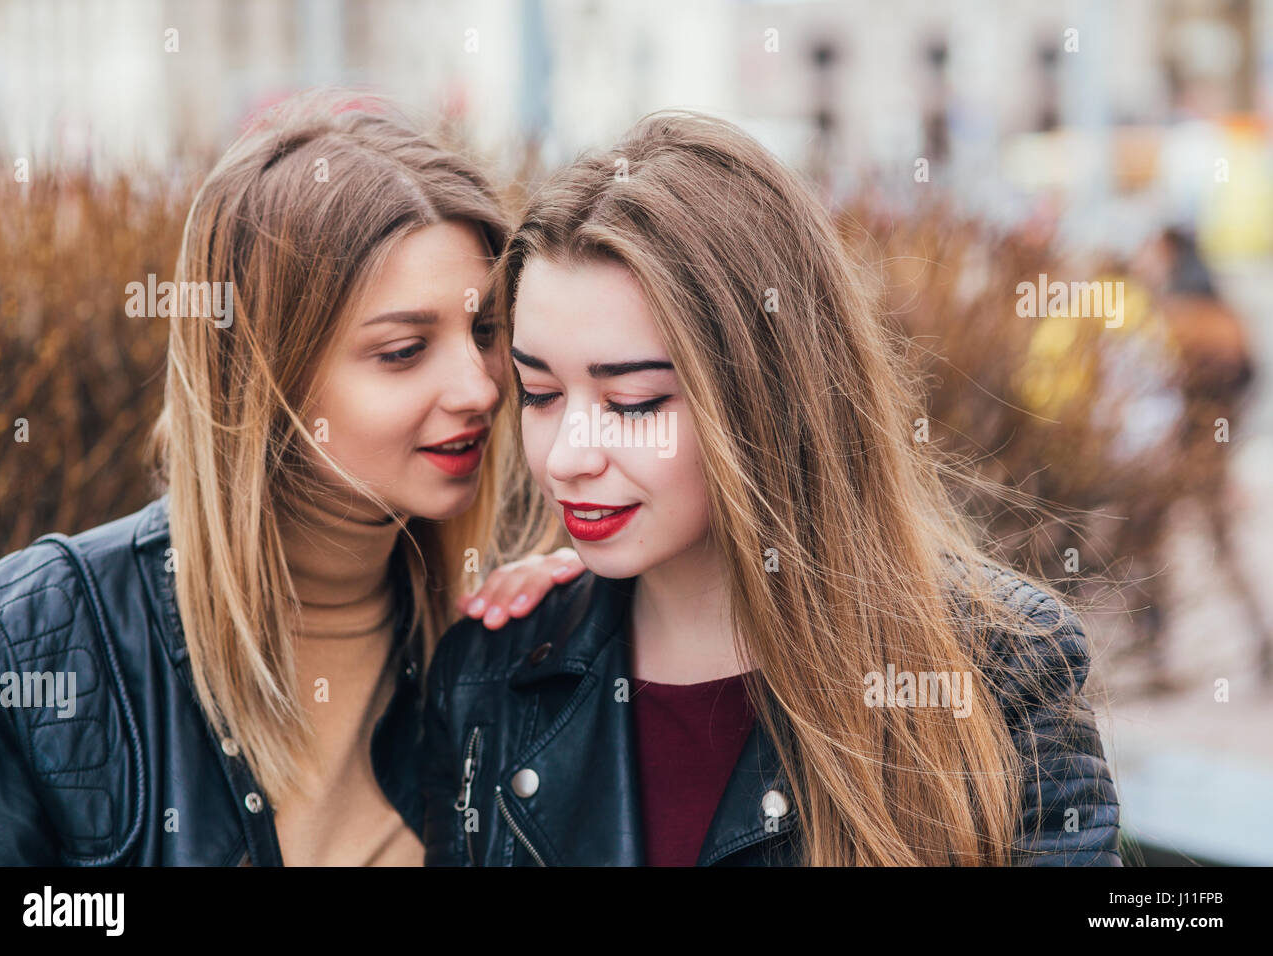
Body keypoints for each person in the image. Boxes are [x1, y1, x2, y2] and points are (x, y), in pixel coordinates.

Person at [421, 111, 1122, 866]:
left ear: (766, 394)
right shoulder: (490, 675)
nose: (567, 457)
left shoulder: (998, 666)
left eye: (633, 403)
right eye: (539, 392)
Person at [0, 90, 579, 866]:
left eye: (485, 331)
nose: (482, 387)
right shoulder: (29, 649)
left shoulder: (505, 650)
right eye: (403, 351)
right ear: (267, 380)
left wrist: (590, 623)